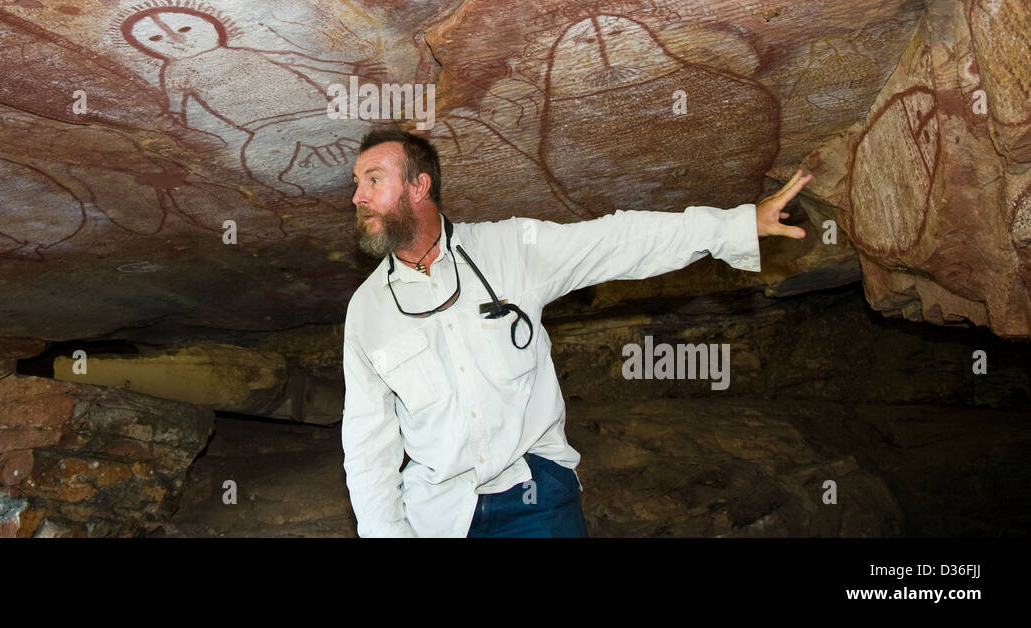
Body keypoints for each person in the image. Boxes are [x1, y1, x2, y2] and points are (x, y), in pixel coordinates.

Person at [342, 126, 813, 538]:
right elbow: (368, 446)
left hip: (534, 497)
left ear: (419, 186)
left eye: (374, 180)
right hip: (440, 518)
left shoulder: (510, 249)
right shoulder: (367, 310)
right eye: (358, 183)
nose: (357, 197)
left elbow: (615, 241)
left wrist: (736, 224)